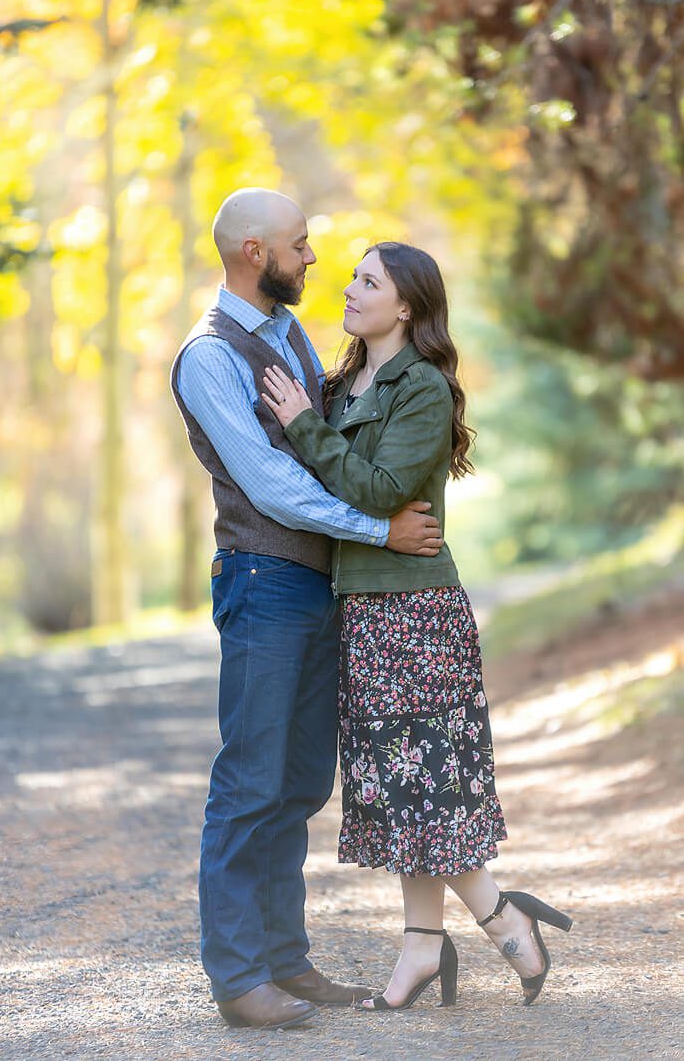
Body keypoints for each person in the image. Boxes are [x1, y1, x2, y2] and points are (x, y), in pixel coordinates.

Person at [262, 240, 573, 1012]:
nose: (349, 288)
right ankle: (424, 949)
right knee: (402, 791)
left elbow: (379, 488)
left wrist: (304, 425)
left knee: (423, 791)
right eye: (353, 276)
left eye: (369, 281)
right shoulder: (339, 385)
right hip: (360, 609)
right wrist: (313, 416)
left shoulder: (422, 388)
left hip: (415, 612)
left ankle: (503, 921)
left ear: (405, 306)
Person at [170, 191, 444, 1030]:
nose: (312, 260)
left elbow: (345, 445)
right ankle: (238, 976)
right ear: (254, 252)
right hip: (261, 578)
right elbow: (272, 483)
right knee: (250, 780)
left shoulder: (286, 335)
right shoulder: (208, 356)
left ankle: (284, 960)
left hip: (321, 585)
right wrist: (379, 529)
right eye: (299, 246)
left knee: (296, 782)